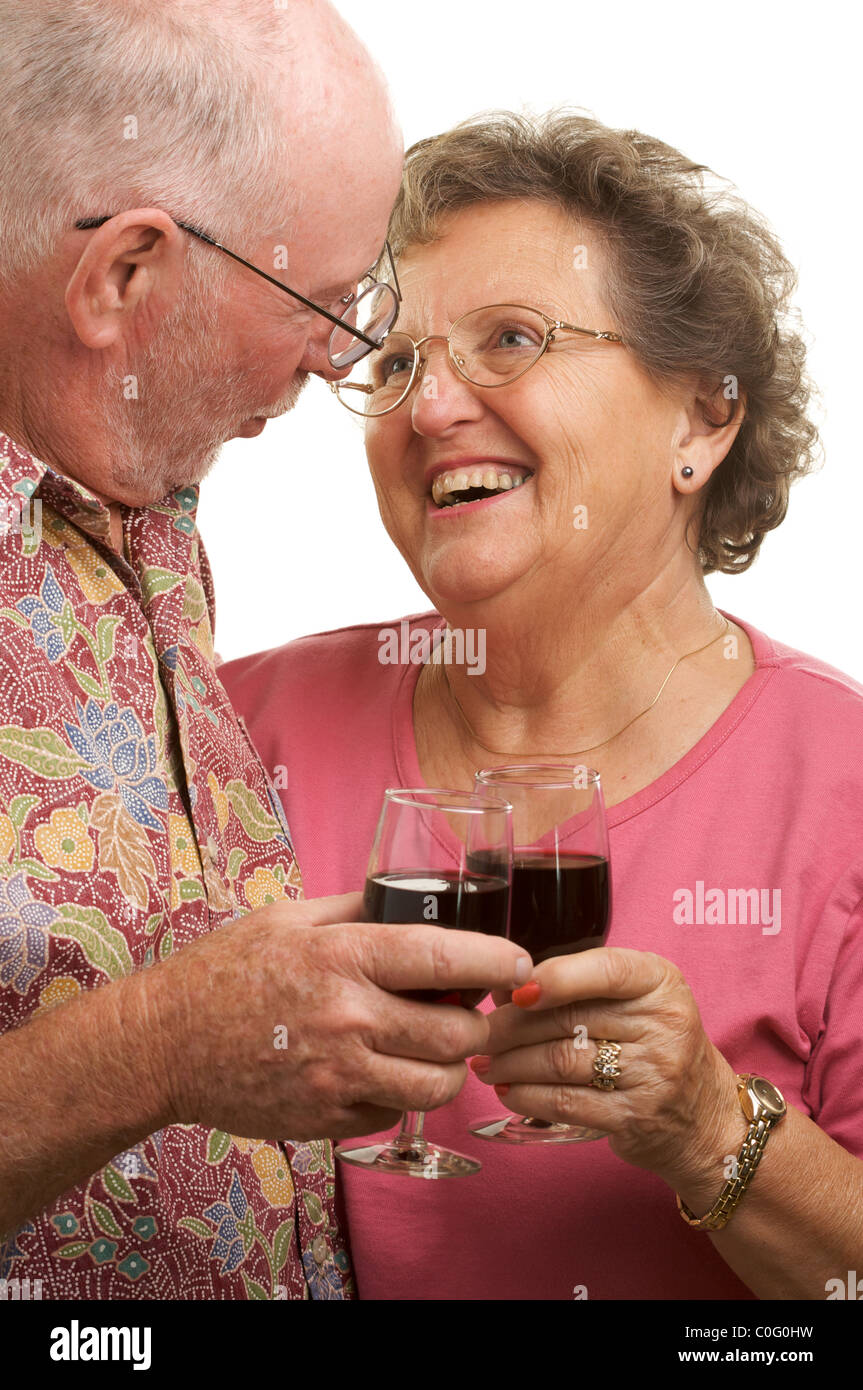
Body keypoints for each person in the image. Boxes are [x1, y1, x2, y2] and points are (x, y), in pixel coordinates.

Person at [222, 110, 863, 1300]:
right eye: (396, 362)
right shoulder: (232, 725)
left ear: (701, 417)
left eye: (509, 339)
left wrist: (714, 1130)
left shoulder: (842, 786)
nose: (424, 409)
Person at [0, 3, 531, 1302]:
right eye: (324, 302)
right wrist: (162, 1043)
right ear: (123, 278)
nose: (349, 358)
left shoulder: (137, 494)